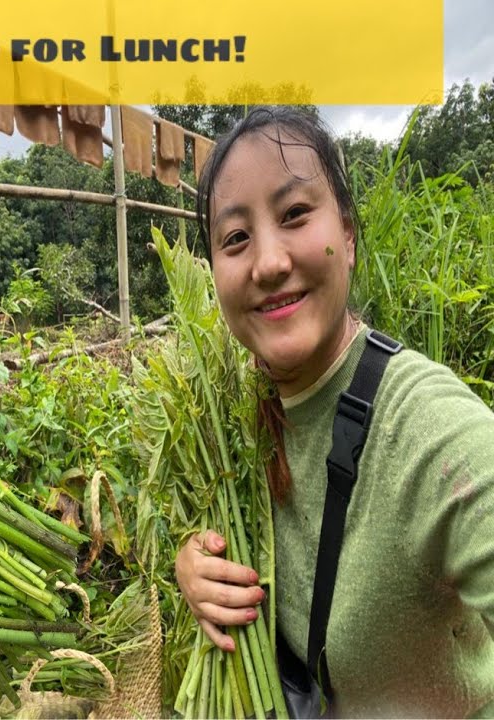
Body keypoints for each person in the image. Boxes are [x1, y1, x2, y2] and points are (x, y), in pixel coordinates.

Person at [174, 107, 494, 715]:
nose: (267, 263)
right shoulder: (242, 412)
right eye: (235, 238)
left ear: (346, 235)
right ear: (214, 271)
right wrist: (194, 563)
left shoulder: (430, 430)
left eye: (294, 214)